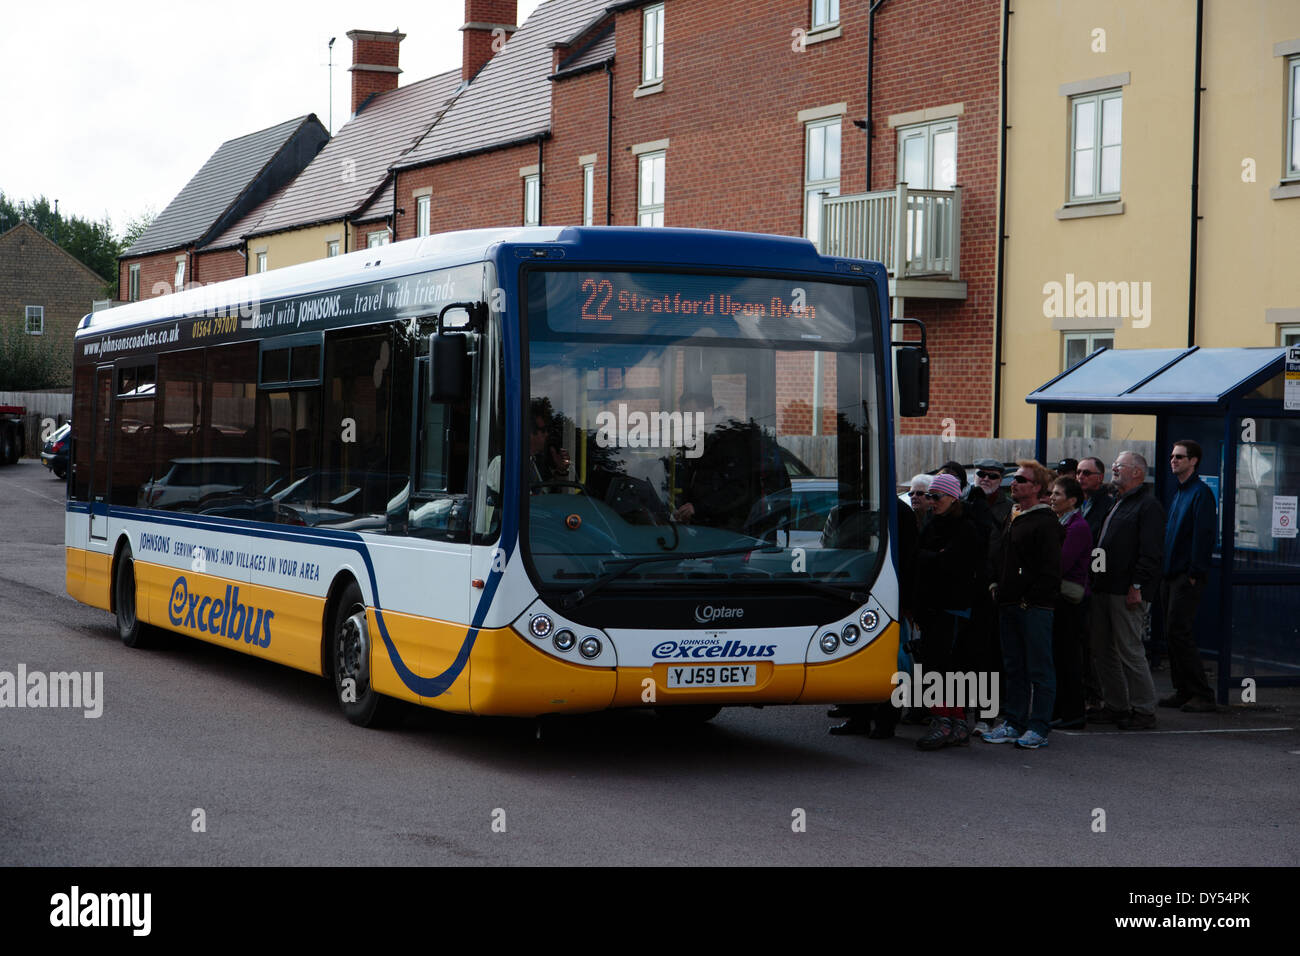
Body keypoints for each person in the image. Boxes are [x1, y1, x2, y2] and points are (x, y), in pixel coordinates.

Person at [983, 459, 1061, 749]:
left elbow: (1050, 569)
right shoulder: (1012, 514)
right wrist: (995, 584)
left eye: (1021, 480)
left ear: (1037, 487)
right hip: (1008, 602)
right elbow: (1001, 557)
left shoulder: (1046, 521)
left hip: (1035, 607)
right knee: (1014, 666)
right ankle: (1014, 722)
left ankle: (1038, 727)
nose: (1014, 483)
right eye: (1014, 479)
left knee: (1040, 668)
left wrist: (1032, 597)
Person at [1089, 451, 1165, 730]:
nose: (1114, 469)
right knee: (1103, 650)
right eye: (1114, 464)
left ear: (1137, 473)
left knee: (1130, 650)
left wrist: (1137, 586)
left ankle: (1144, 710)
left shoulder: (1148, 506)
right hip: (1104, 587)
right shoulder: (1117, 502)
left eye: (1119, 466)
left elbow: (1151, 552)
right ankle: (1116, 706)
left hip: (1126, 590)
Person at [911, 473, 982, 749]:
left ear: (953, 498)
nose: (930, 501)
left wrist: (932, 558)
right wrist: (933, 557)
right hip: (932, 604)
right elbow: (923, 558)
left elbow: (952, 563)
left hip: (952, 606)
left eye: (935, 496)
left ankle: (948, 721)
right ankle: (951, 720)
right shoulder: (933, 524)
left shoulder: (965, 527)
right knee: (936, 664)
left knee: (944, 665)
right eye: (929, 496)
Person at [1159, 439, 1218, 713]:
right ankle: (1183, 690)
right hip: (1171, 574)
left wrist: (1195, 572)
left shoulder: (1200, 493)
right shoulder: (1180, 492)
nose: (1174, 460)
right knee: (1172, 633)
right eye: (1172, 456)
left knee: (1179, 631)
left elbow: (1203, 535)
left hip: (1186, 575)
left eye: (1180, 457)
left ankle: (1201, 693)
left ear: (1193, 461)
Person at [1049, 475, 1091, 729]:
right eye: (1052, 493)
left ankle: (1074, 713)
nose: (1052, 497)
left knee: (1069, 658)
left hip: (1070, 600)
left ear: (1072, 500)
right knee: (1058, 657)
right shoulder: (1059, 522)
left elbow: (1061, 563)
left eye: (1058, 494)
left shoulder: (1077, 527)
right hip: (1059, 598)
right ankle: (1060, 710)